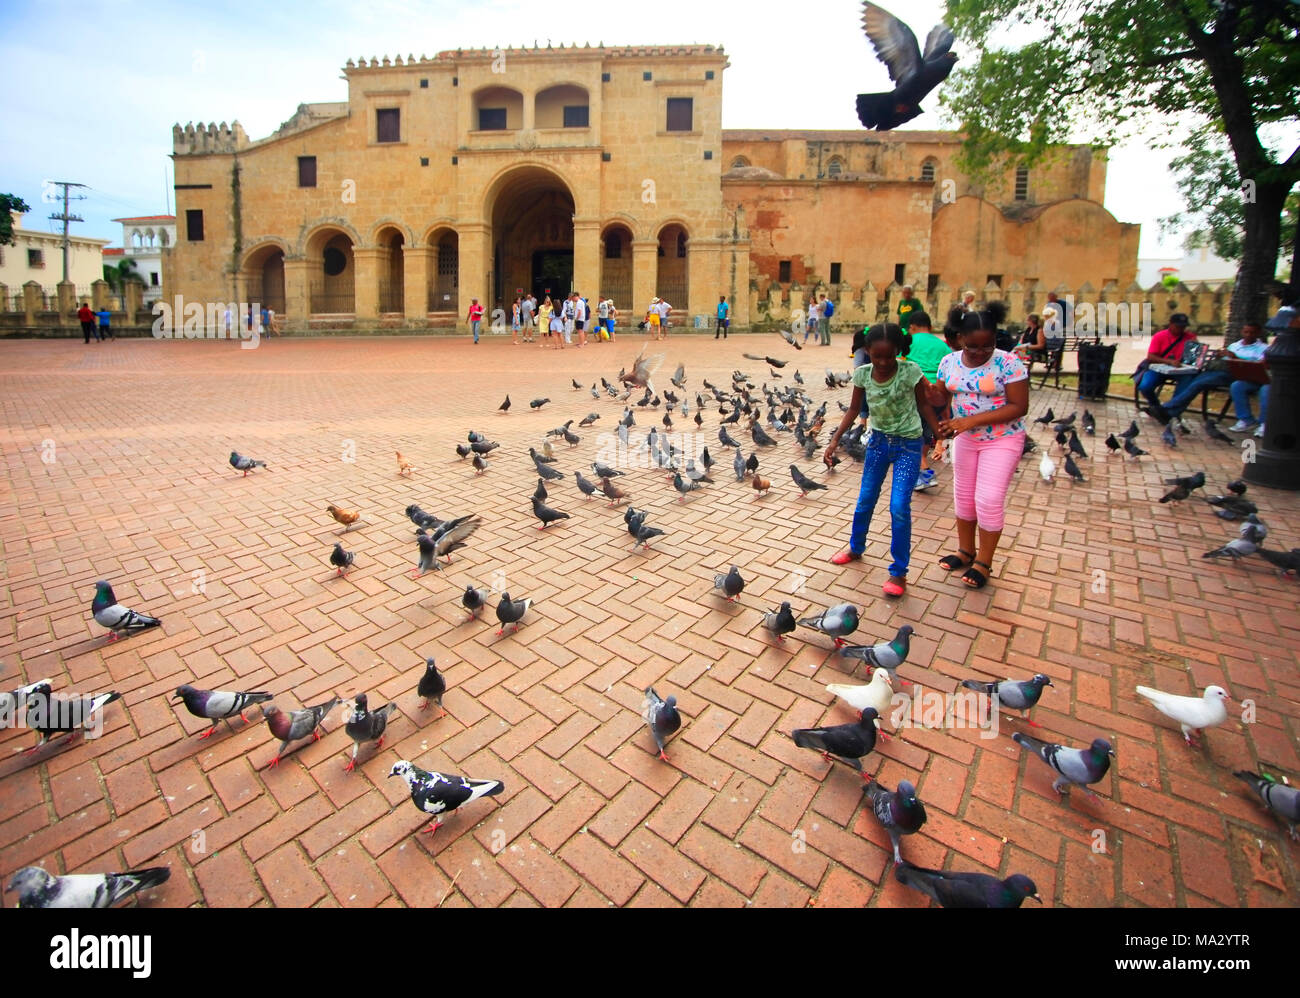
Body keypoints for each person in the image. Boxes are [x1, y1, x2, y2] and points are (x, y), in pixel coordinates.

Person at [824, 323, 943, 598]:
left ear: (899, 352)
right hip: (878, 444)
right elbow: (854, 409)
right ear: (868, 351)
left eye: (890, 356)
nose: (883, 362)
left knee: (899, 506)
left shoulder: (910, 371)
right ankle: (856, 547)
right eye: (877, 356)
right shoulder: (863, 375)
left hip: (908, 446)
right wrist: (834, 440)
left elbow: (925, 405)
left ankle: (899, 571)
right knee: (866, 498)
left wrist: (939, 436)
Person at [930, 301, 1030, 590]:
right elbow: (942, 397)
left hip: (1002, 439)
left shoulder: (1008, 363)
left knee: (988, 499)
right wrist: (931, 400)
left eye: (987, 346)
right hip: (966, 440)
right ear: (960, 338)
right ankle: (965, 551)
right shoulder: (949, 362)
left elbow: (1019, 406)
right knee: (964, 496)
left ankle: (984, 561)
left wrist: (969, 421)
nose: (979, 353)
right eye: (972, 346)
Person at [1154, 322, 1269, 431]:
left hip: (1239, 376)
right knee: (1194, 383)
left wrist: (1236, 358)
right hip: (1222, 371)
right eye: (1246, 332)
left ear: (1258, 333)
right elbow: (1223, 360)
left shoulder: (1263, 348)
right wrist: (1219, 355)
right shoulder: (1235, 345)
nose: (1248, 335)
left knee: (1199, 384)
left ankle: (1166, 408)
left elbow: (1260, 367)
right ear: (1242, 332)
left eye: (1252, 332)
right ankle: (1171, 412)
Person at [900, 311, 951, 491]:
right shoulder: (943, 345)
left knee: (914, 433)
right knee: (926, 433)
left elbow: (899, 364)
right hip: (938, 395)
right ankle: (922, 470)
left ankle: (924, 471)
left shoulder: (909, 341)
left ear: (912, 327)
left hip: (917, 392)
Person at [1136, 313, 1197, 415]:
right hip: (1159, 369)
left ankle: (1172, 410)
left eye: (1183, 327)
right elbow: (1150, 357)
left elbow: (1194, 358)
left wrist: (1195, 346)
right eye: (1178, 326)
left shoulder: (1190, 337)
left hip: (1181, 371)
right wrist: (1169, 361)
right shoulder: (1159, 336)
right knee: (1145, 386)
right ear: (1170, 324)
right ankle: (1155, 406)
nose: (1180, 329)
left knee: (1187, 382)